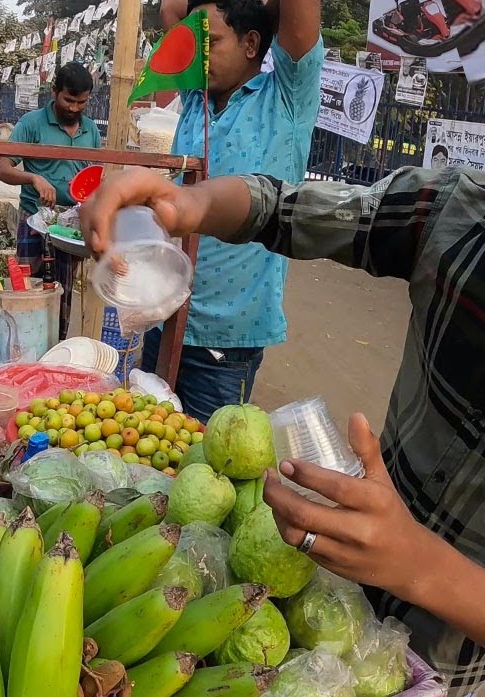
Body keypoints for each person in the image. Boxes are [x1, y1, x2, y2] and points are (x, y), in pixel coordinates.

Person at [80, 49, 485, 697]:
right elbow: (283, 210)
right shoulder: (456, 215)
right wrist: (188, 203)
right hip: (302, 602)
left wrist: (420, 565)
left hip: (431, 681)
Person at [146, 0, 323, 422]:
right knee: (143, 459)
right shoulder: (195, 98)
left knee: (210, 470)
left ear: (251, 43)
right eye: (197, 41)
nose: (199, 51)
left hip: (227, 341)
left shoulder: (286, 99)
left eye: (214, 40)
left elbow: (300, 17)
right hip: (164, 317)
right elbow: (173, 10)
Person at [0, 62, 101, 277]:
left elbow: (96, 175)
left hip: (72, 223)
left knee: (63, 289)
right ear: (54, 91)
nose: (74, 108)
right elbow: (2, 169)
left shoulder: (91, 130)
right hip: (35, 216)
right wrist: (34, 178)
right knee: (30, 289)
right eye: (68, 100)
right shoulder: (31, 123)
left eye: (82, 102)